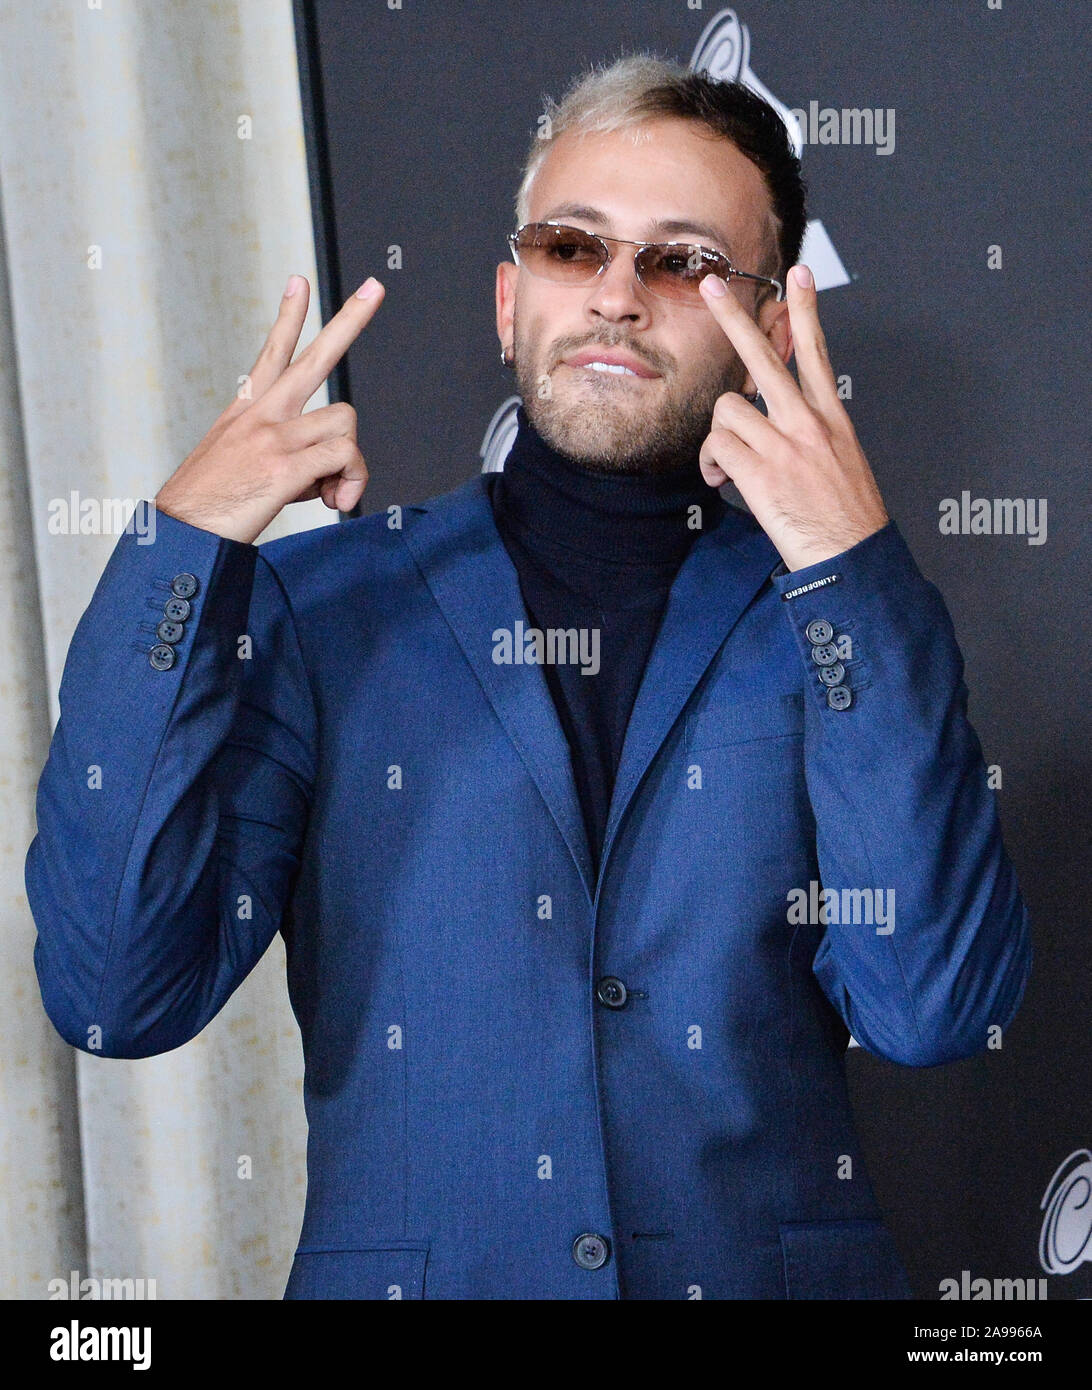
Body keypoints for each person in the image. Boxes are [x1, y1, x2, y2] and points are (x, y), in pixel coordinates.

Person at [25, 55, 1030, 1300]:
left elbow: (932, 1006)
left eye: (683, 262)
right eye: (573, 247)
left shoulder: (841, 620)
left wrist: (853, 574)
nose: (617, 296)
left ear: (771, 326)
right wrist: (180, 542)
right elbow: (115, 991)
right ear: (511, 301)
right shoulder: (319, 606)